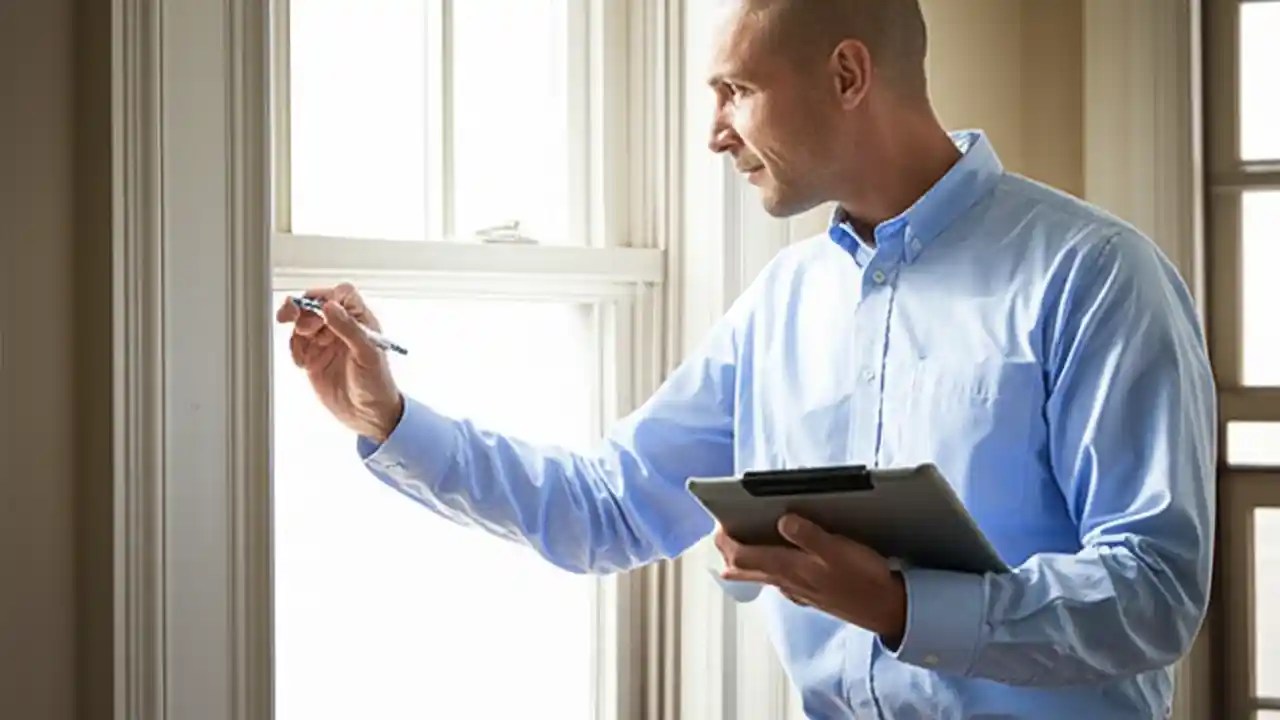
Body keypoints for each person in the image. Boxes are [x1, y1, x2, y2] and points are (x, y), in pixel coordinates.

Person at [276, 0, 1216, 717]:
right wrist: (386, 417)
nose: (715, 130)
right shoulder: (781, 305)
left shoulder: (1094, 276)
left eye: (736, 91)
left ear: (848, 74)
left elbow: (1155, 593)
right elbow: (608, 509)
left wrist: (898, 606)